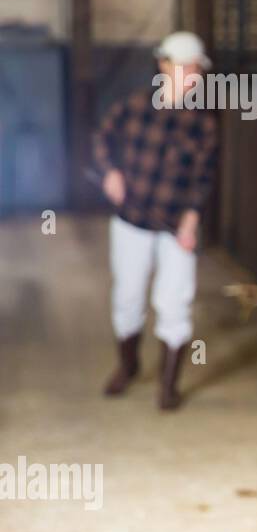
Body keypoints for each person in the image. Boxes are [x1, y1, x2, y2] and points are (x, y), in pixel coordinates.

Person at [93, 31, 219, 410]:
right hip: (131, 219)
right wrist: (110, 172)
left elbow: (205, 175)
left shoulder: (203, 121)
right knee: (129, 296)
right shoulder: (134, 105)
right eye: (186, 68)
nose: (192, 76)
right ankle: (127, 365)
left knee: (175, 302)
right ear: (164, 66)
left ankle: (168, 386)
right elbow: (102, 138)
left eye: (196, 70)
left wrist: (192, 218)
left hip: (175, 224)